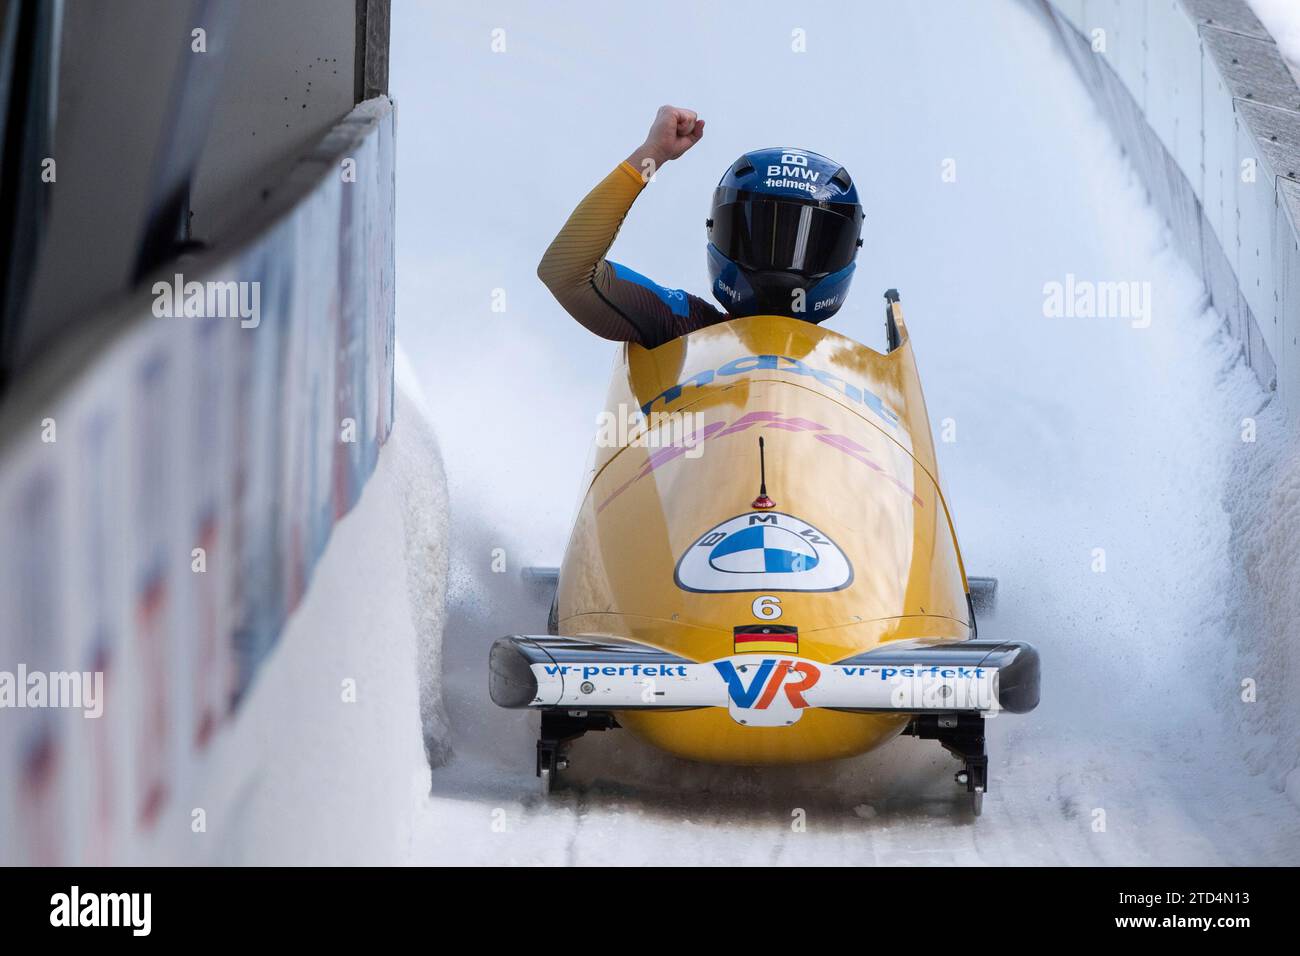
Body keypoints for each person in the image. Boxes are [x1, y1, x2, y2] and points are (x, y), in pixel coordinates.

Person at [538, 105, 866, 349]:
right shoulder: (685, 323)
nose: (782, 265)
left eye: (805, 243)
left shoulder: (858, 375)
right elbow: (565, 272)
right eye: (765, 238)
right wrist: (652, 154)